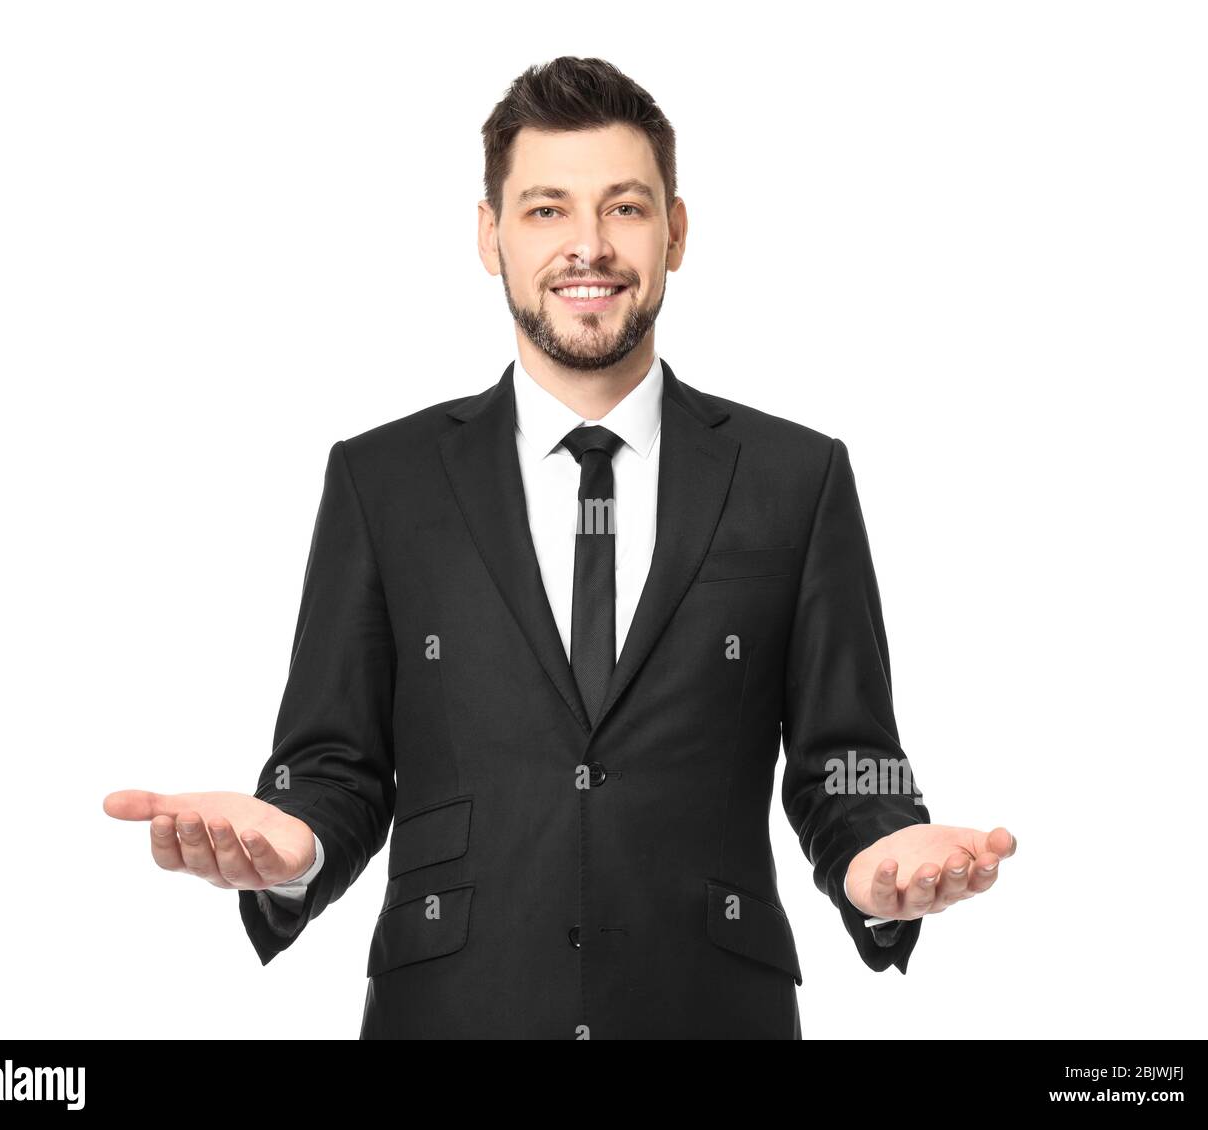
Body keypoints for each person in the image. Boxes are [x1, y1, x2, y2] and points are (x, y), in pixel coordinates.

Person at [105, 55, 1015, 1040]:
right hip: (451, 1013)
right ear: (489, 235)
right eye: (546, 210)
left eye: (624, 208)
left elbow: (850, 759)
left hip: (712, 1013)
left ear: (675, 232)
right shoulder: (383, 479)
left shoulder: (795, 477)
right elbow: (333, 760)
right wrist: (294, 835)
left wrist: (879, 851)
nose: (589, 245)